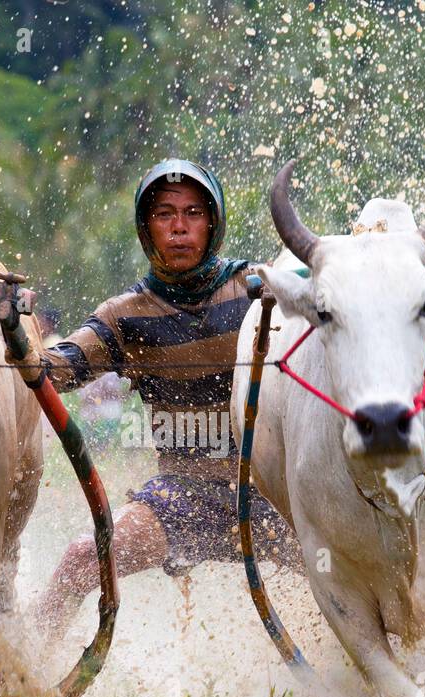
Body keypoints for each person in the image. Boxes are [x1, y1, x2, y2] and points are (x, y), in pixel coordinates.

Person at [23, 159, 299, 641]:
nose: (178, 227)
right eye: (164, 214)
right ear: (146, 227)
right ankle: (15, 676)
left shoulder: (261, 290)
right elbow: (59, 368)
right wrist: (15, 337)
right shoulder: (123, 316)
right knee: (79, 561)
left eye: (193, 213)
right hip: (183, 495)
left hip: (271, 494)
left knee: (345, 566)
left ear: (212, 223)